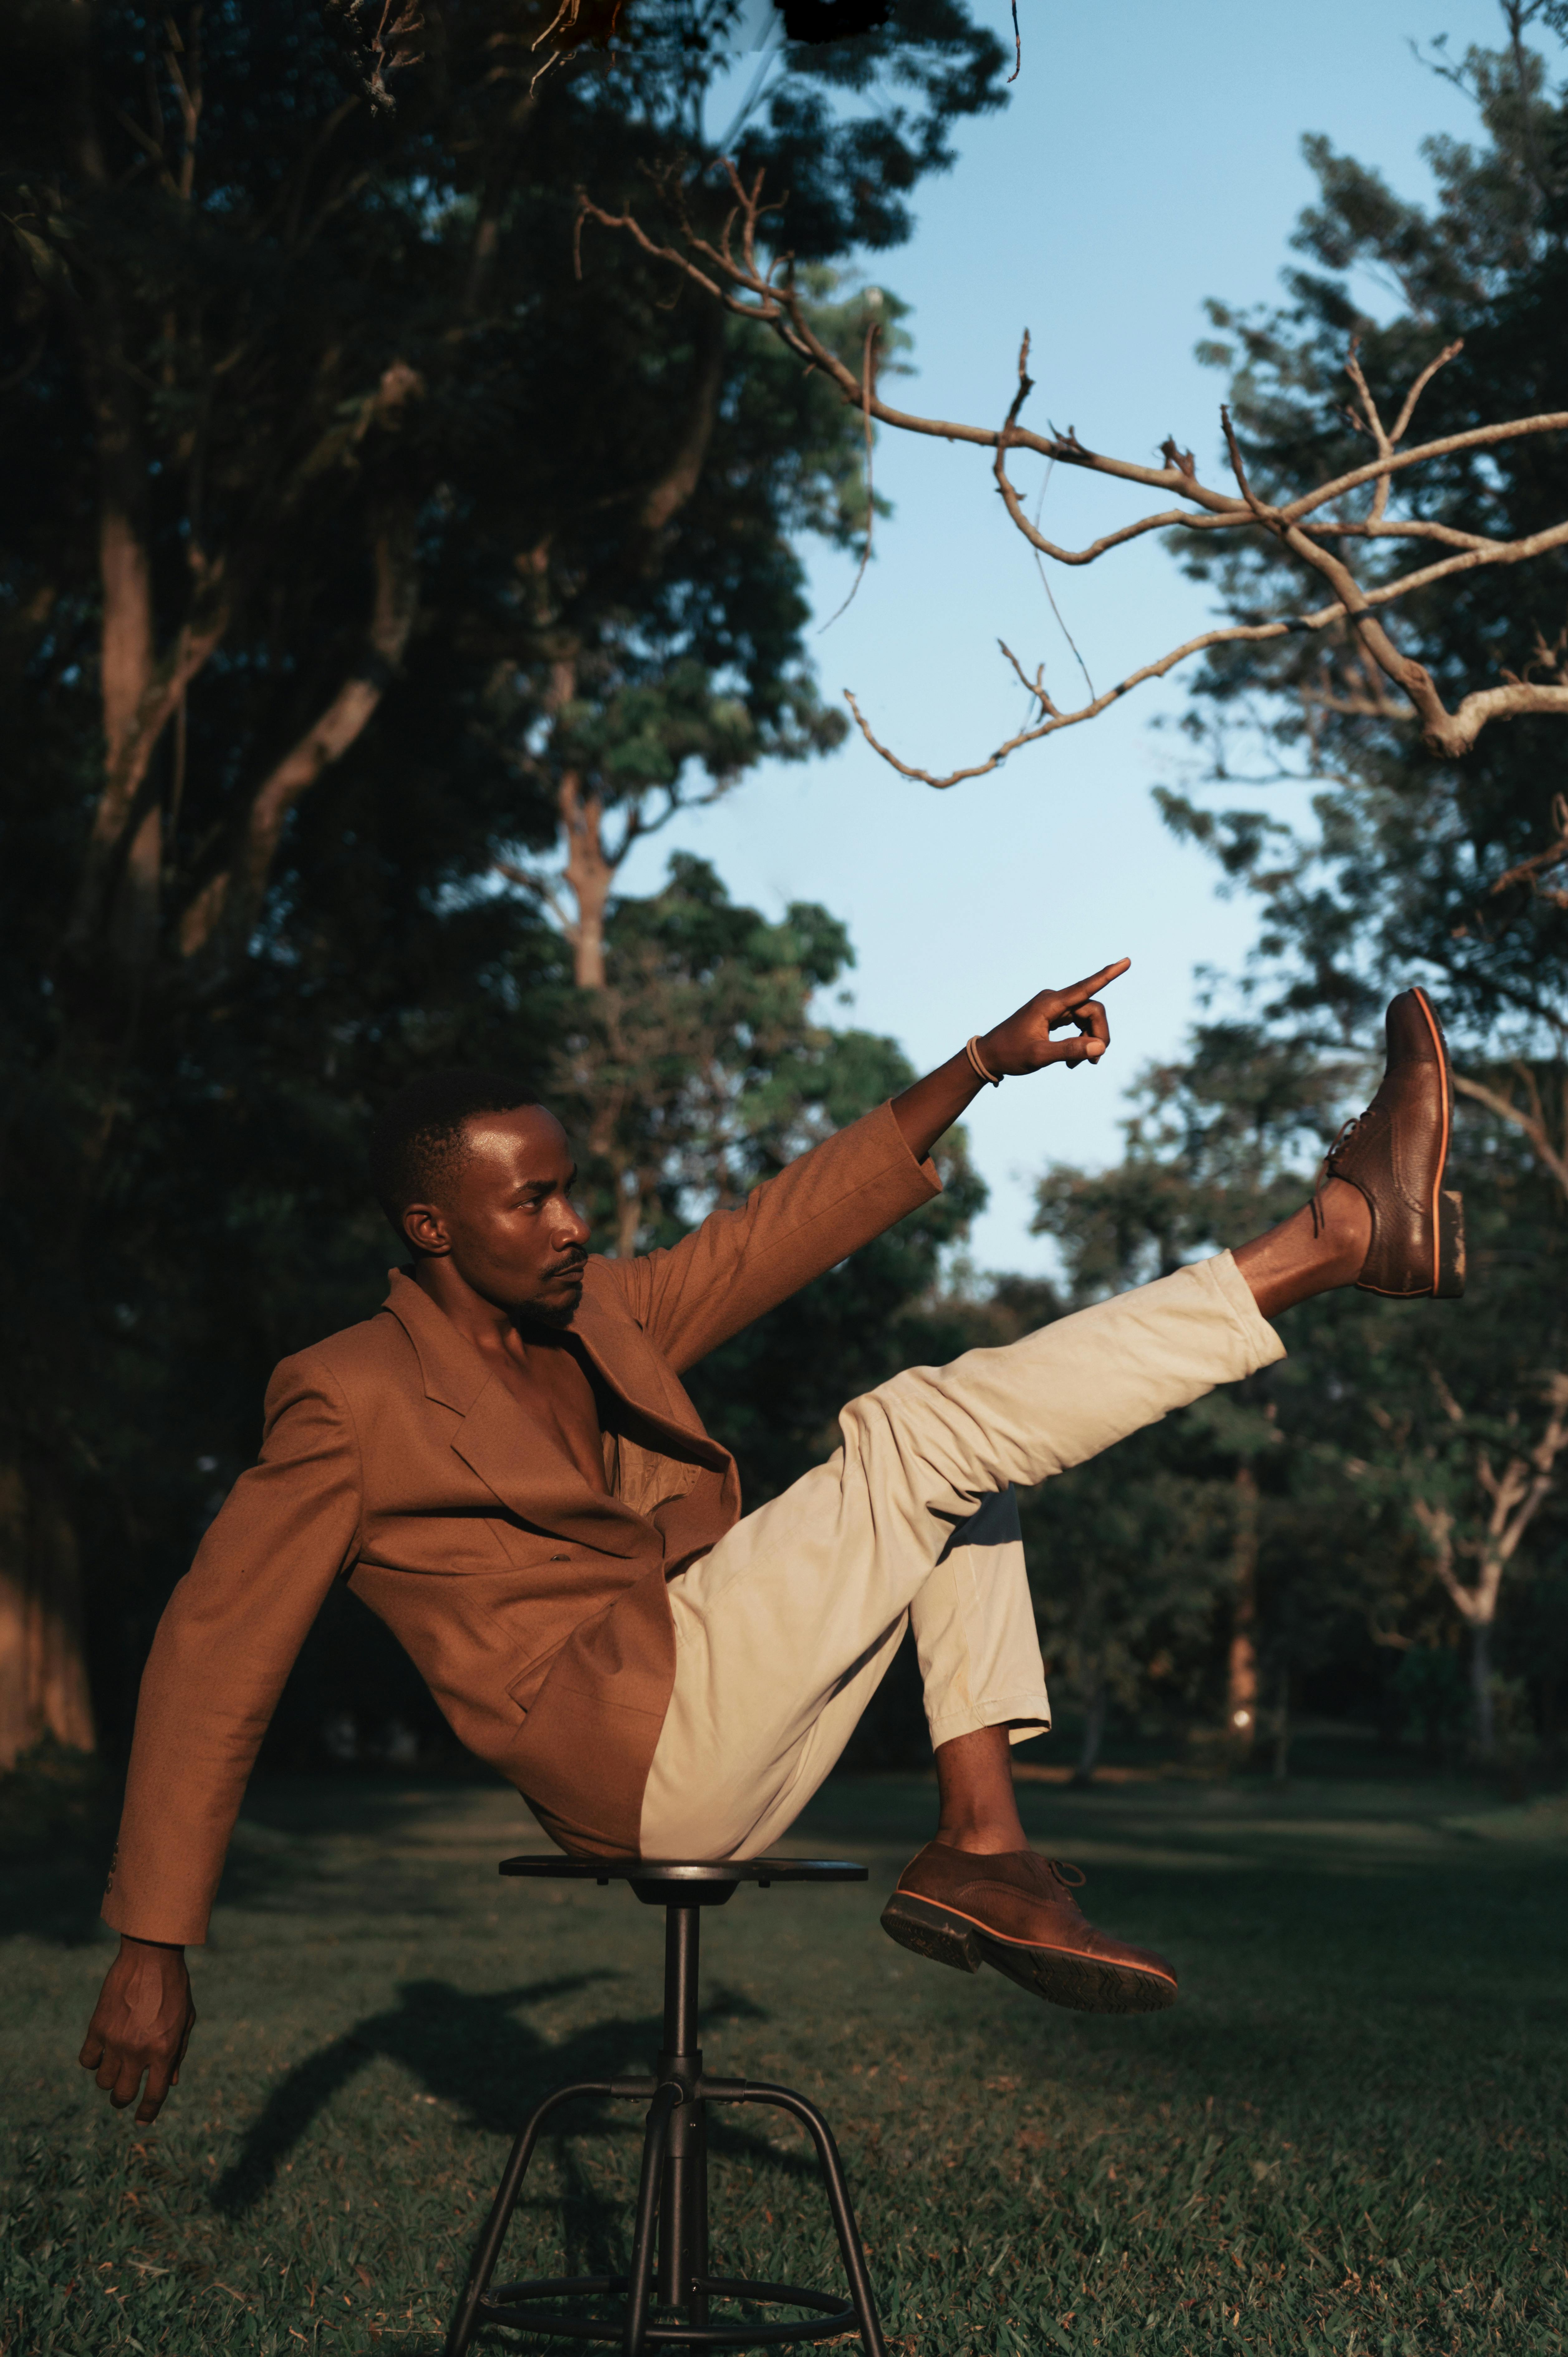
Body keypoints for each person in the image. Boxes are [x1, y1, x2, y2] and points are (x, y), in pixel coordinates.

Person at [78, 963, 1463, 2125]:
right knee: (927, 1428)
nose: (571, 1224)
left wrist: (980, 1062)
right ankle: (1337, 1235)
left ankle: (980, 1845)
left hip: (711, 1718)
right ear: (430, 1229)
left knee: (967, 1470)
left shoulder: (594, 1311)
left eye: (572, 1189)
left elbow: (777, 1233)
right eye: (532, 1204)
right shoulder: (347, 1394)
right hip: (625, 1747)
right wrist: (153, 1944)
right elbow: (215, 1651)